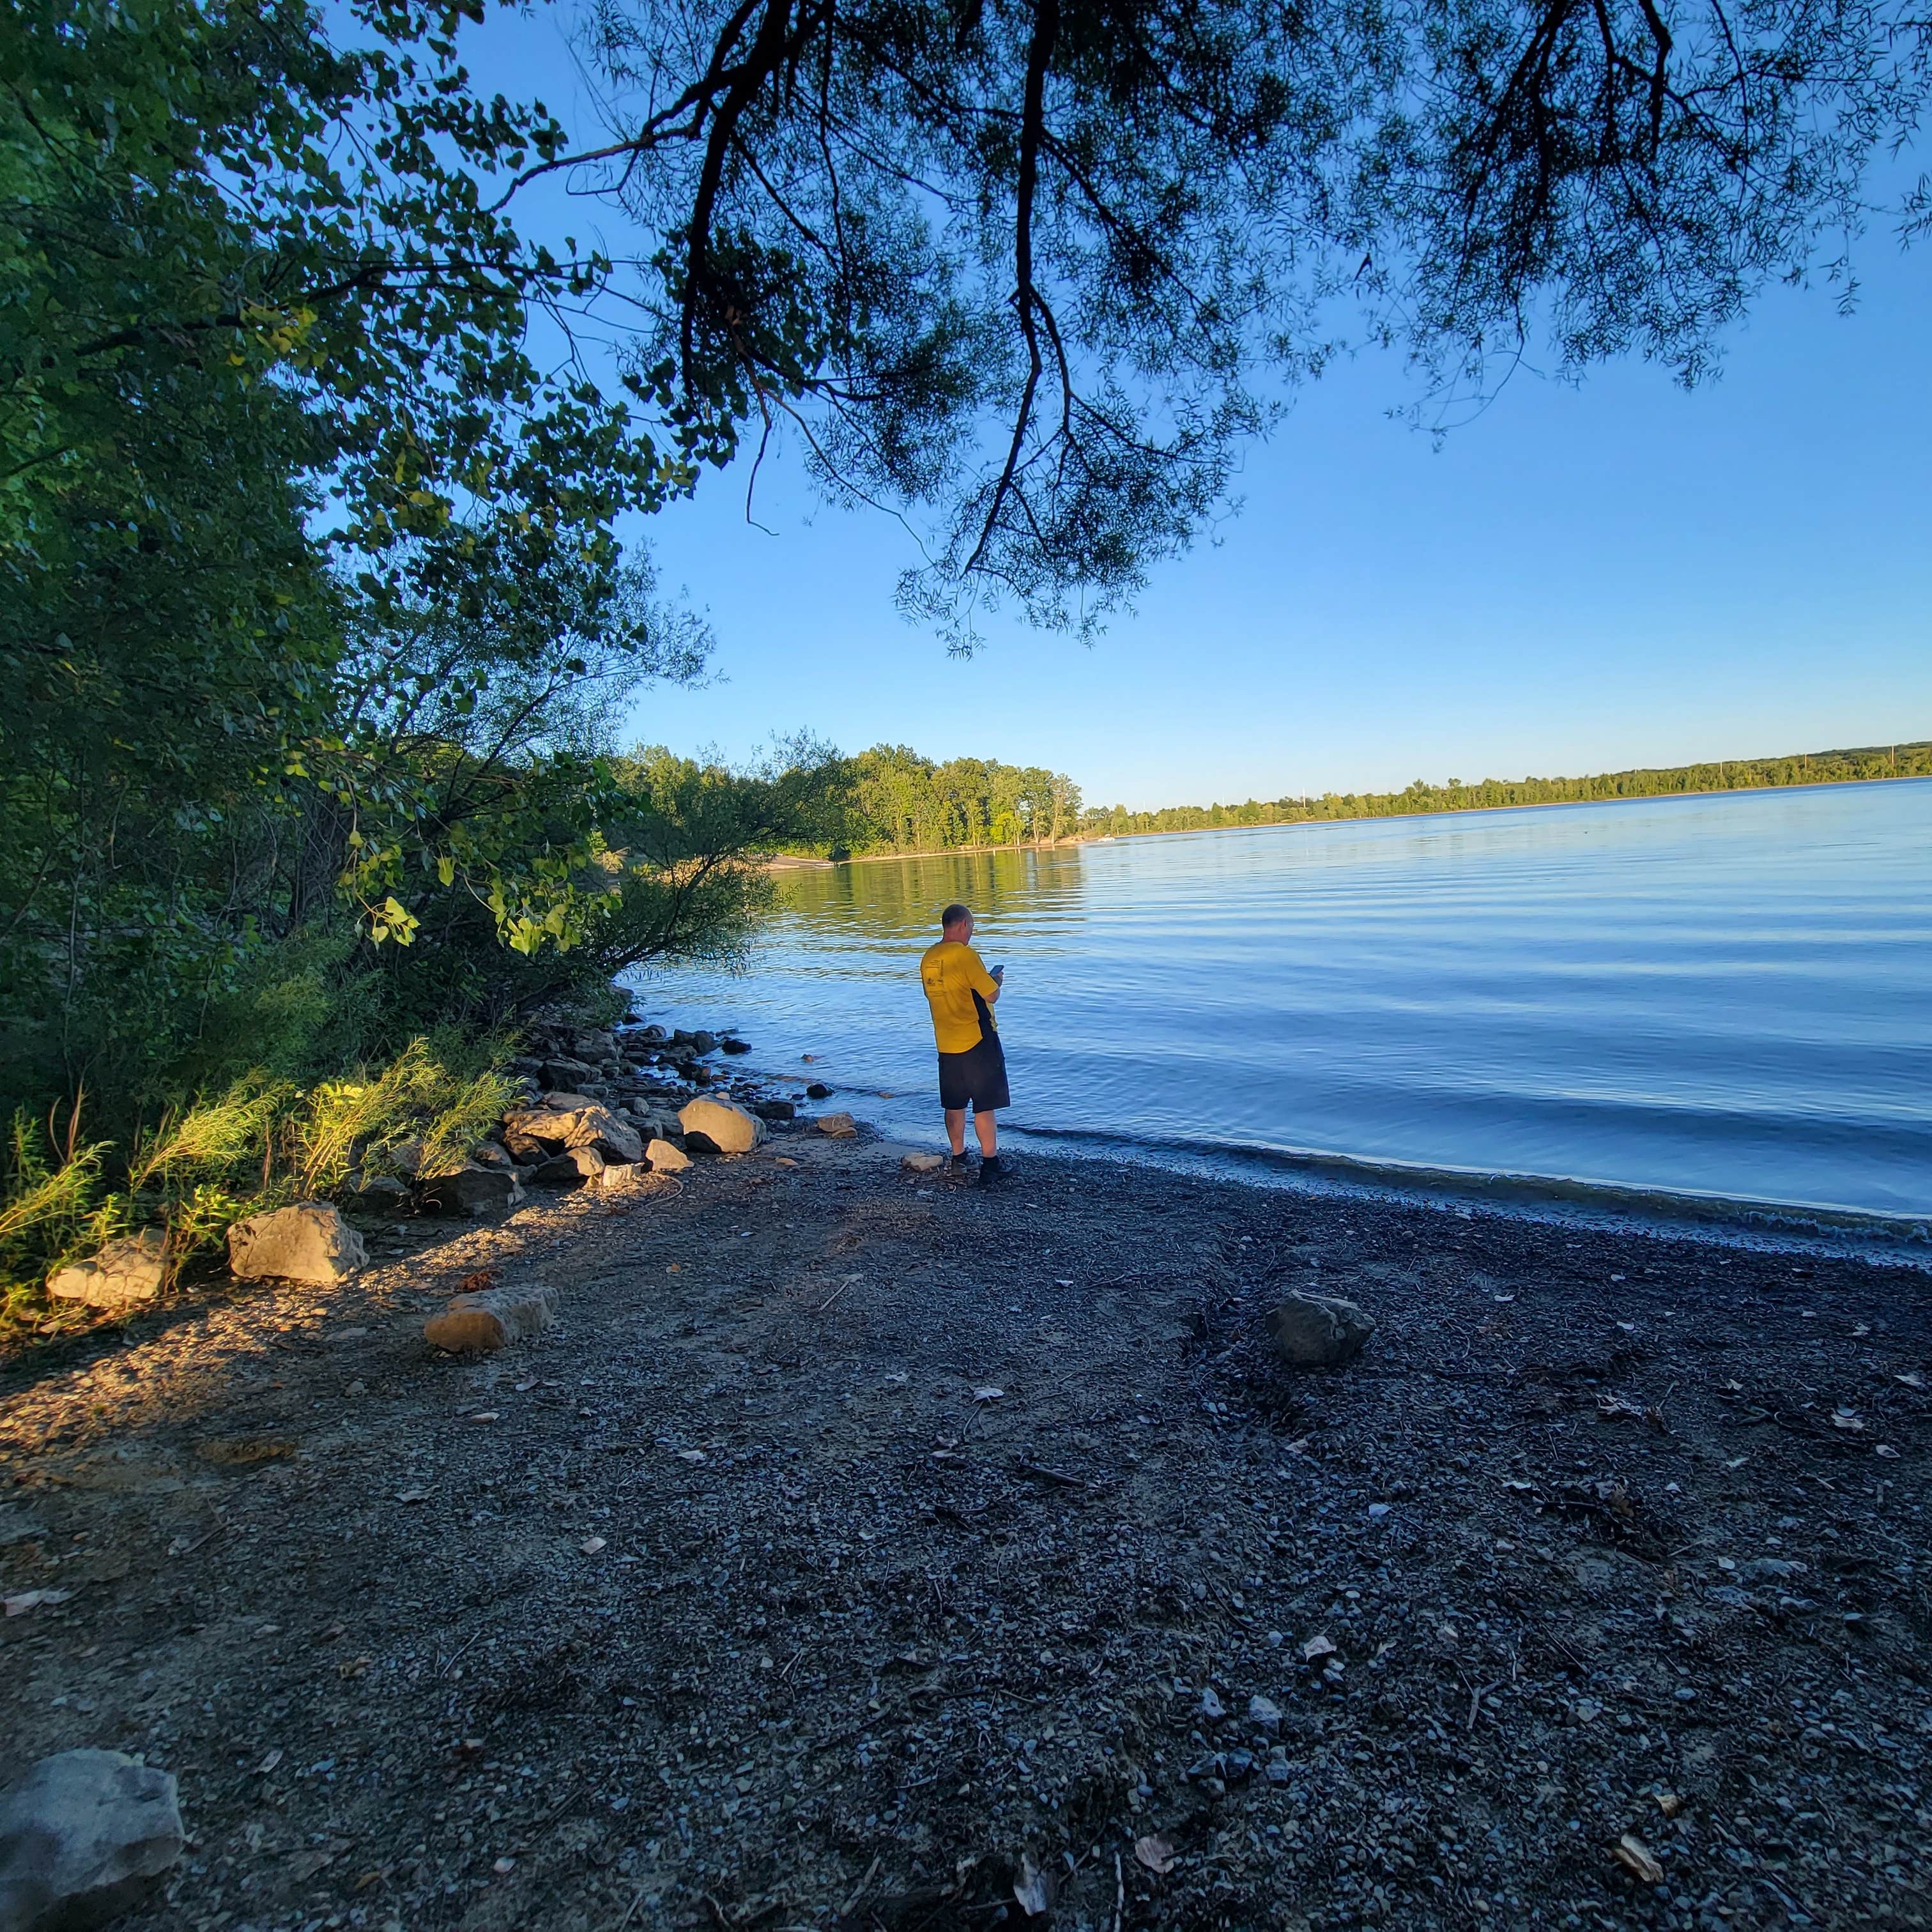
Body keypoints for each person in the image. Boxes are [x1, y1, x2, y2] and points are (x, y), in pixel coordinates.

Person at [919, 902, 1010, 1186]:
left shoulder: (928, 958)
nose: (971, 932)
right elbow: (991, 994)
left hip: (946, 1043)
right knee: (984, 1104)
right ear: (962, 926)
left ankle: (958, 1156)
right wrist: (996, 979)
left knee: (954, 1104)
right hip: (976, 1039)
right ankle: (990, 1163)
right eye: (971, 927)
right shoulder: (966, 955)